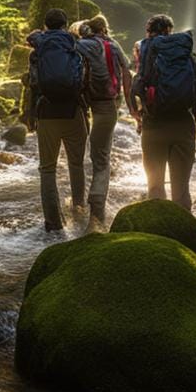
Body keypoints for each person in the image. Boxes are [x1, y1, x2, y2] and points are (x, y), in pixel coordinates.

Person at [24, 8, 88, 232]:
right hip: (73, 111)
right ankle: (79, 211)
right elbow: (82, 80)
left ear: (45, 26)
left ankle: (53, 223)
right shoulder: (74, 45)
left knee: (48, 169)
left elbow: (32, 84)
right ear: (65, 25)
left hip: (46, 112)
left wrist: (30, 117)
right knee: (76, 163)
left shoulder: (37, 51)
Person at [130, 14, 196, 210]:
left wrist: (138, 116)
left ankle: (158, 234)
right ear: (171, 30)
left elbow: (136, 89)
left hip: (154, 125)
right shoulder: (185, 54)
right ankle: (186, 236)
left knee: (155, 187)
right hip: (184, 123)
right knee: (181, 189)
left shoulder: (145, 51)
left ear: (148, 32)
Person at [71, 14, 129, 231]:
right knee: (101, 158)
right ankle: (96, 206)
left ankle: (77, 204)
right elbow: (127, 70)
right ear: (104, 29)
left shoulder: (79, 45)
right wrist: (131, 105)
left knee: (76, 156)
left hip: (81, 105)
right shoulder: (112, 46)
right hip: (107, 104)